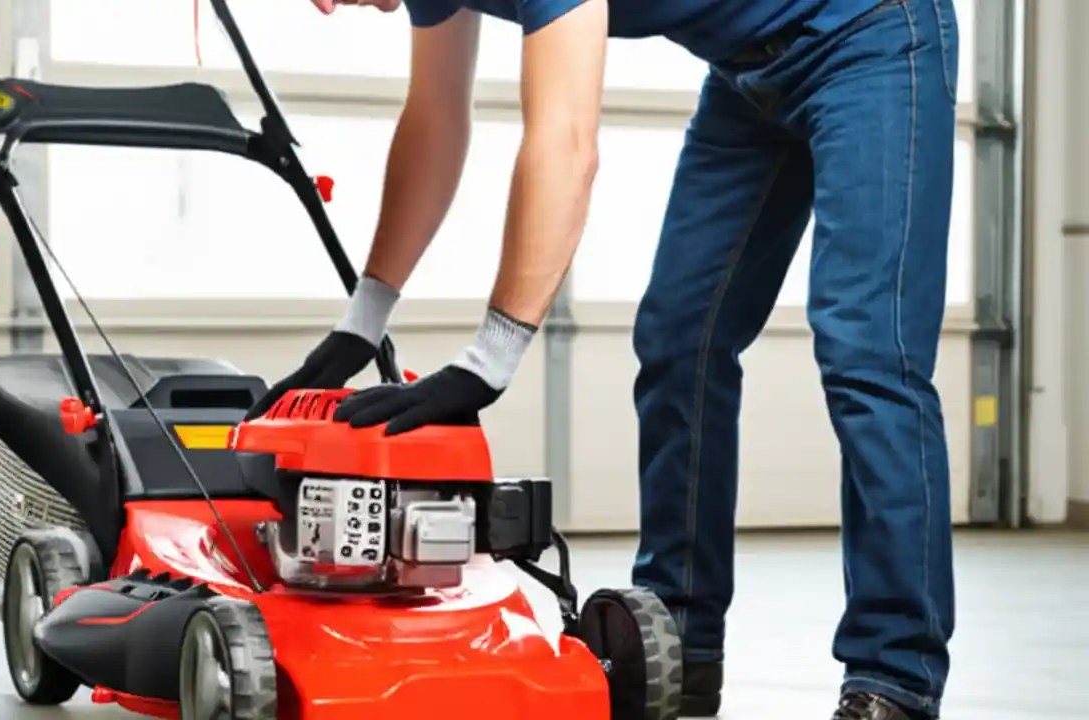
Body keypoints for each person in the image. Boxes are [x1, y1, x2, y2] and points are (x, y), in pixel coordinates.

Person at [248, 0, 958, 717]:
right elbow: (435, 118)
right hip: (746, 75)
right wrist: (363, 321)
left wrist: (489, 358)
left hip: (870, 34)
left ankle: (893, 675)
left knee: (869, 353)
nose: (326, 4)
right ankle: (679, 642)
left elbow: (565, 142)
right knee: (679, 339)